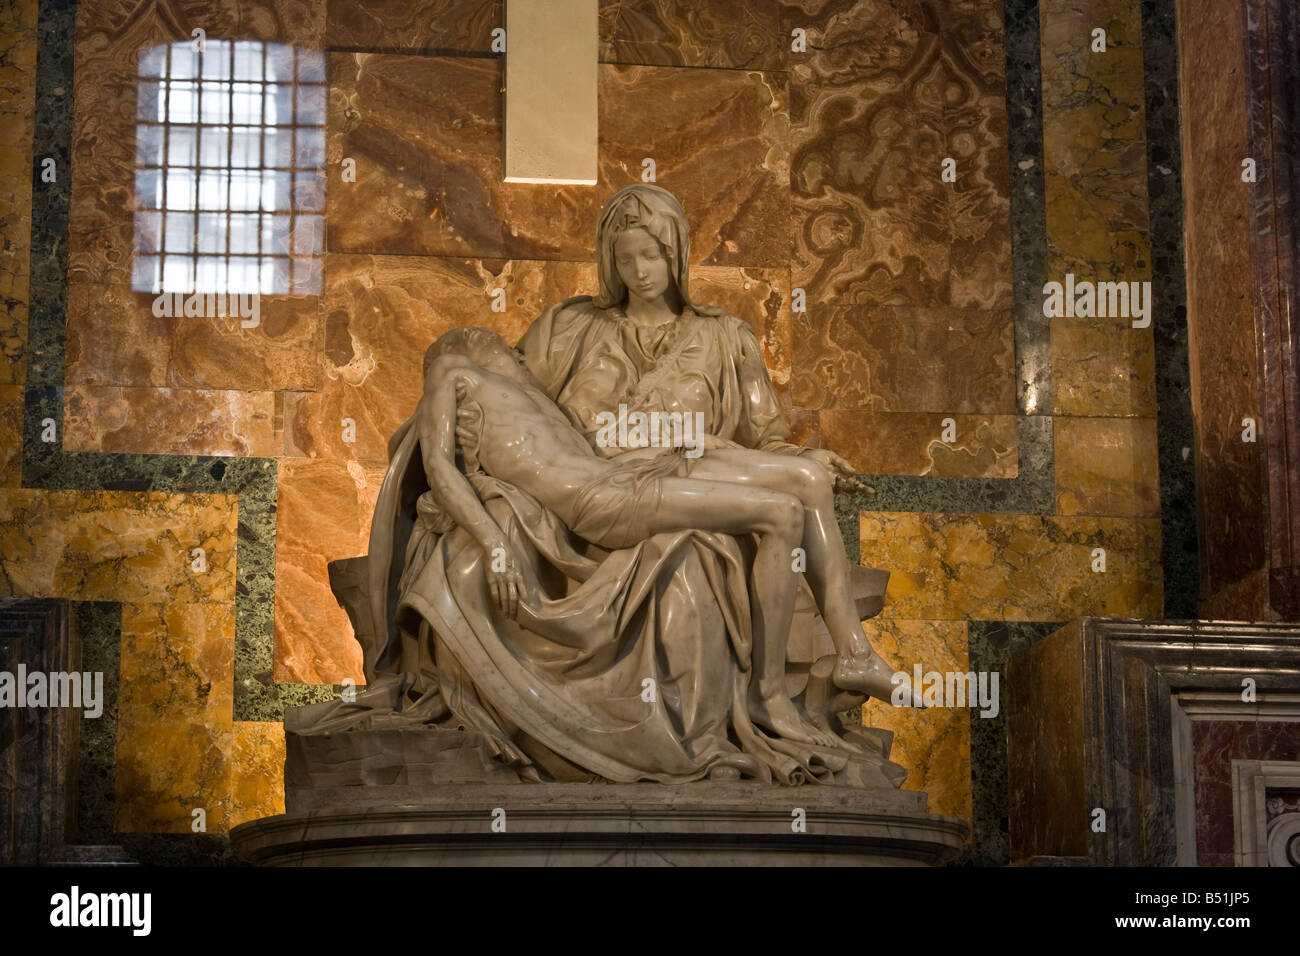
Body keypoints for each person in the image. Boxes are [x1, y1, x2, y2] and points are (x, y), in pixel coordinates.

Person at [421, 326, 900, 746]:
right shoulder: (454, 370)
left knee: (806, 481)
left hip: (627, 470)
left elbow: (634, 440)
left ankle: (855, 653)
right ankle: (767, 695)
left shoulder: (544, 408)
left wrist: (787, 455)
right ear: (477, 345)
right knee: (779, 515)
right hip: (601, 498)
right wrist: (495, 544)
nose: (524, 359)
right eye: (510, 349)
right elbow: (438, 465)